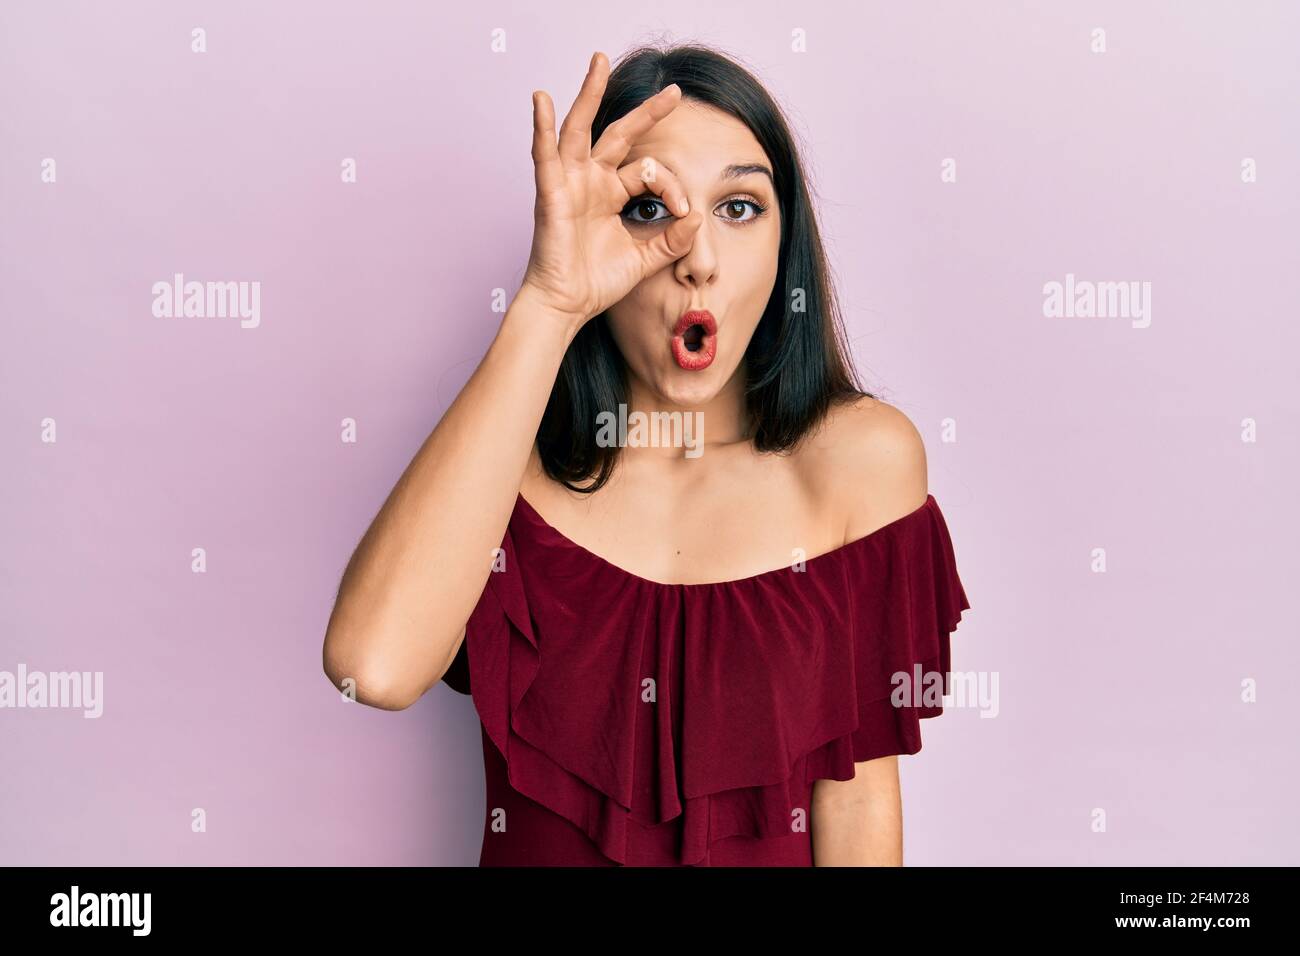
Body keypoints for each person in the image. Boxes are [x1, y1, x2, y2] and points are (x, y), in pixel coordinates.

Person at [322, 43, 971, 866]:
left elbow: (858, 799)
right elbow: (370, 667)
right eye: (649, 208)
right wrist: (550, 300)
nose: (696, 258)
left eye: (739, 208)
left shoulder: (861, 464)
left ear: (786, 244)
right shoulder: (504, 469)